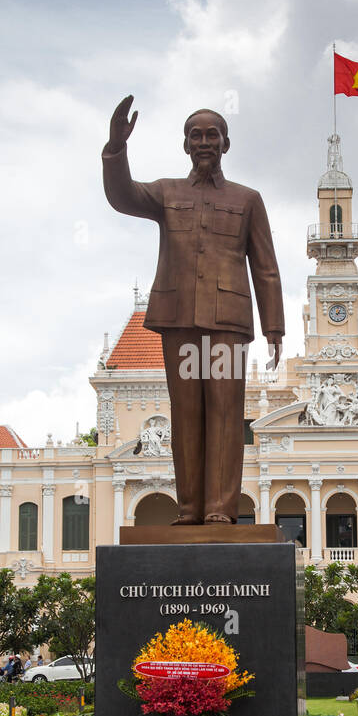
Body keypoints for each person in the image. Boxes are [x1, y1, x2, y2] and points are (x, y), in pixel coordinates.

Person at [102, 97, 285, 523]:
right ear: (186, 145)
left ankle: (220, 509)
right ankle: (189, 509)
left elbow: (266, 266)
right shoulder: (167, 193)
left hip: (228, 321)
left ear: (225, 143)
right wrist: (115, 148)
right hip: (179, 316)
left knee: (224, 412)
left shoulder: (247, 199)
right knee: (186, 412)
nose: (204, 142)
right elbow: (122, 196)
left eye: (212, 135)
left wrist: (273, 325)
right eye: (196, 135)